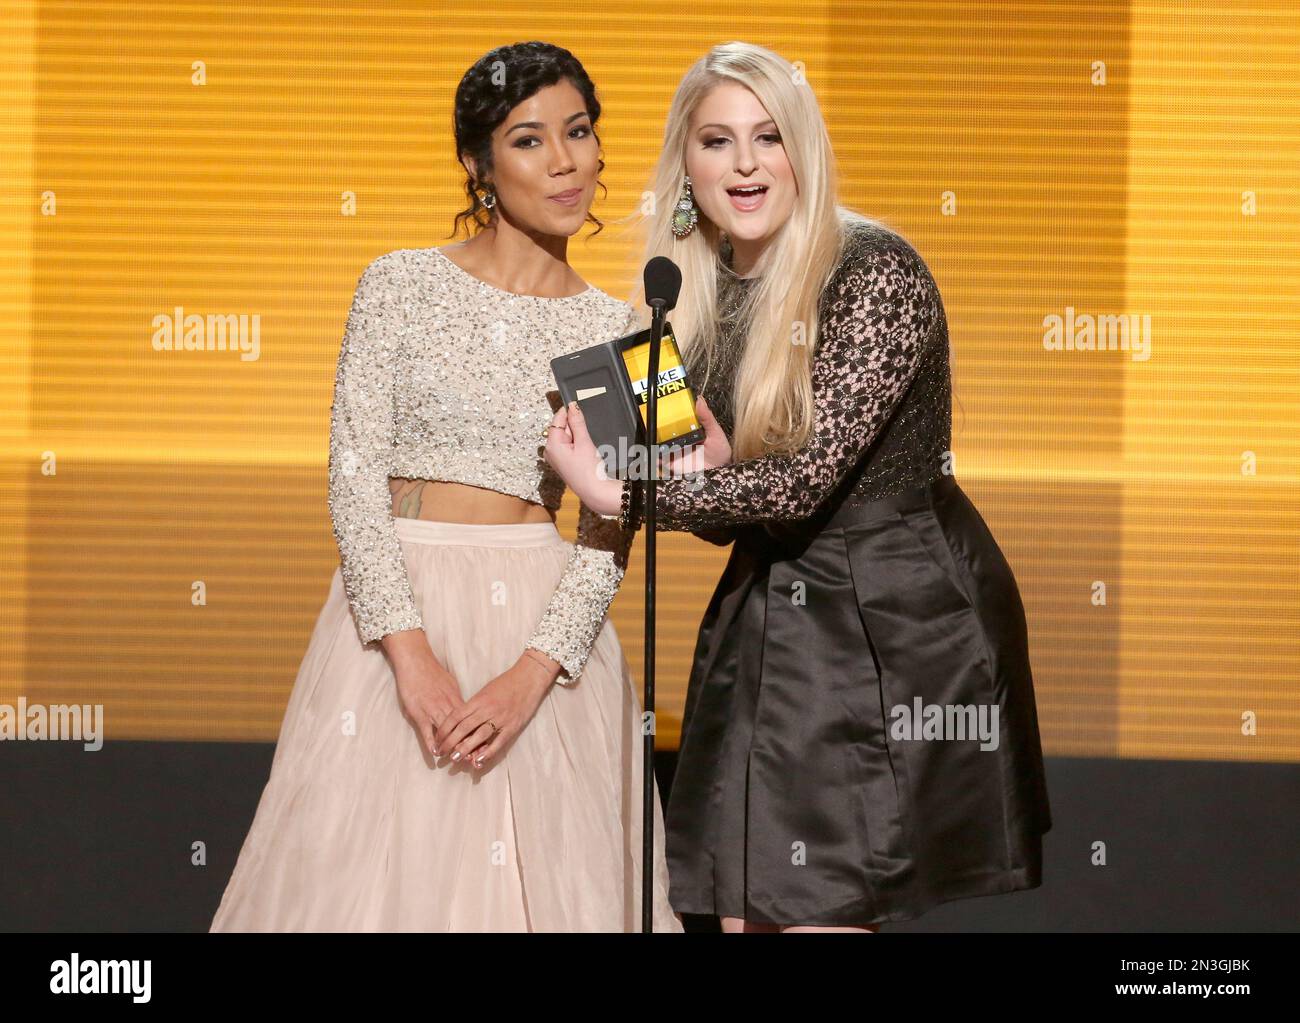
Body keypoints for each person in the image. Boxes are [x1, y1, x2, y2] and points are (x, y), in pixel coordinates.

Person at [544, 41, 1051, 933]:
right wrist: (682, 471)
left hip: (895, 607)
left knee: (819, 904)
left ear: (802, 150)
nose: (744, 163)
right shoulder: (681, 299)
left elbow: (804, 482)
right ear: (685, 163)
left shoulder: (873, 271)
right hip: (771, 603)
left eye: (769, 137)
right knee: (748, 910)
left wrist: (631, 495)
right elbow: (726, 507)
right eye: (716, 140)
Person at [210, 42, 681, 933]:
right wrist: (411, 655)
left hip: (542, 640)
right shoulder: (398, 283)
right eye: (530, 140)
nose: (565, 161)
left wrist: (529, 676)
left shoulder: (632, 332)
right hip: (394, 627)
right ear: (478, 162)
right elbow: (353, 477)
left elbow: (615, 532)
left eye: (578, 133)